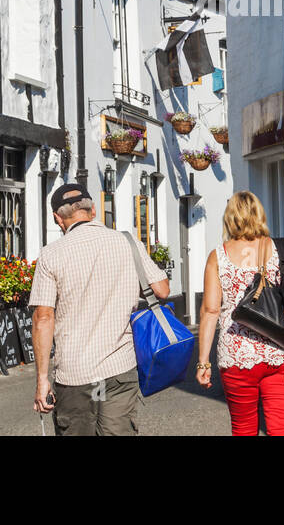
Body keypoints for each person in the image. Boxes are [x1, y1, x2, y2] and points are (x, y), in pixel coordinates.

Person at [30, 182, 168, 435]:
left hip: (74, 374)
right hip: (119, 369)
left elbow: (43, 318)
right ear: (93, 210)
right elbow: (162, 290)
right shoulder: (127, 242)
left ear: (57, 218)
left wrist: (41, 379)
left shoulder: (51, 255)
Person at [196, 191, 284, 436]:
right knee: (282, 429)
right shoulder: (281, 250)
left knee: (243, 429)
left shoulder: (218, 256)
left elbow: (210, 311)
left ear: (229, 218)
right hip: (281, 352)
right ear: (259, 215)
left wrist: (204, 361)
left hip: (236, 356)